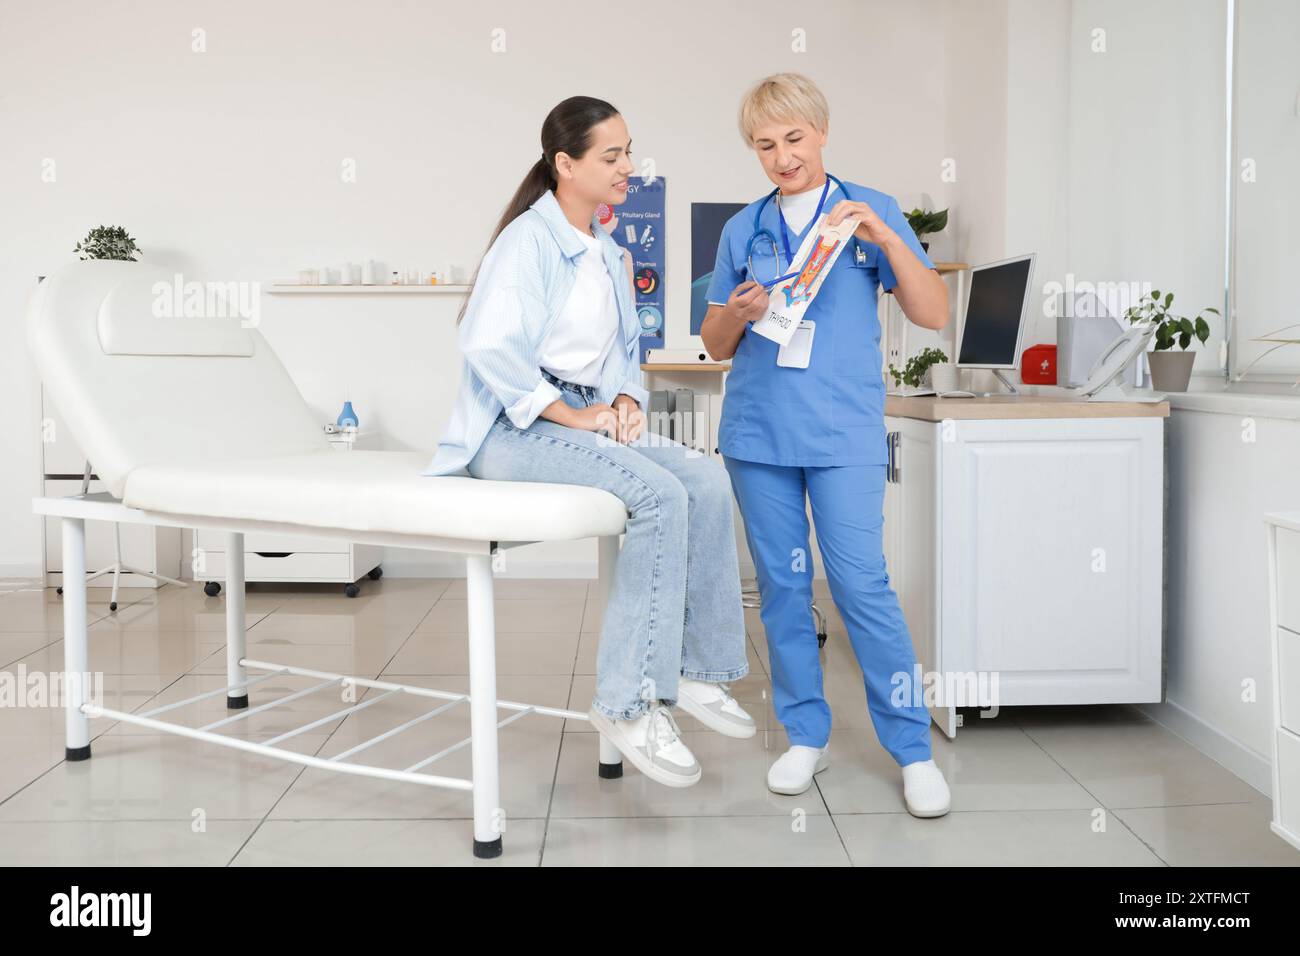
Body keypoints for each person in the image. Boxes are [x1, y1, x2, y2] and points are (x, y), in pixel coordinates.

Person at [423, 95, 753, 789]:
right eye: (612, 155)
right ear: (565, 165)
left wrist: (626, 398)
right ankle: (627, 703)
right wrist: (571, 417)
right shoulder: (529, 241)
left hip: (582, 410)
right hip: (511, 429)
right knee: (659, 496)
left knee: (706, 477)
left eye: (629, 150)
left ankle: (696, 671)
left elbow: (624, 352)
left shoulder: (608, 250)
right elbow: (486, 344)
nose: (628, 166)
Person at [701, 72, 952, 816]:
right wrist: (739, 313)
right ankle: (805, 735)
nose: (782, 158)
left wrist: (884, 241)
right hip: (759, 434)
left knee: (862, 586)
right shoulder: (743, 228)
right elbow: (714, 344)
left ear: (822, 132)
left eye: (794, 139)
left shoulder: (867, 210)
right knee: (783, 590)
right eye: (765, 145)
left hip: (842, 432)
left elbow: (933, 311)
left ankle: (912, 751)